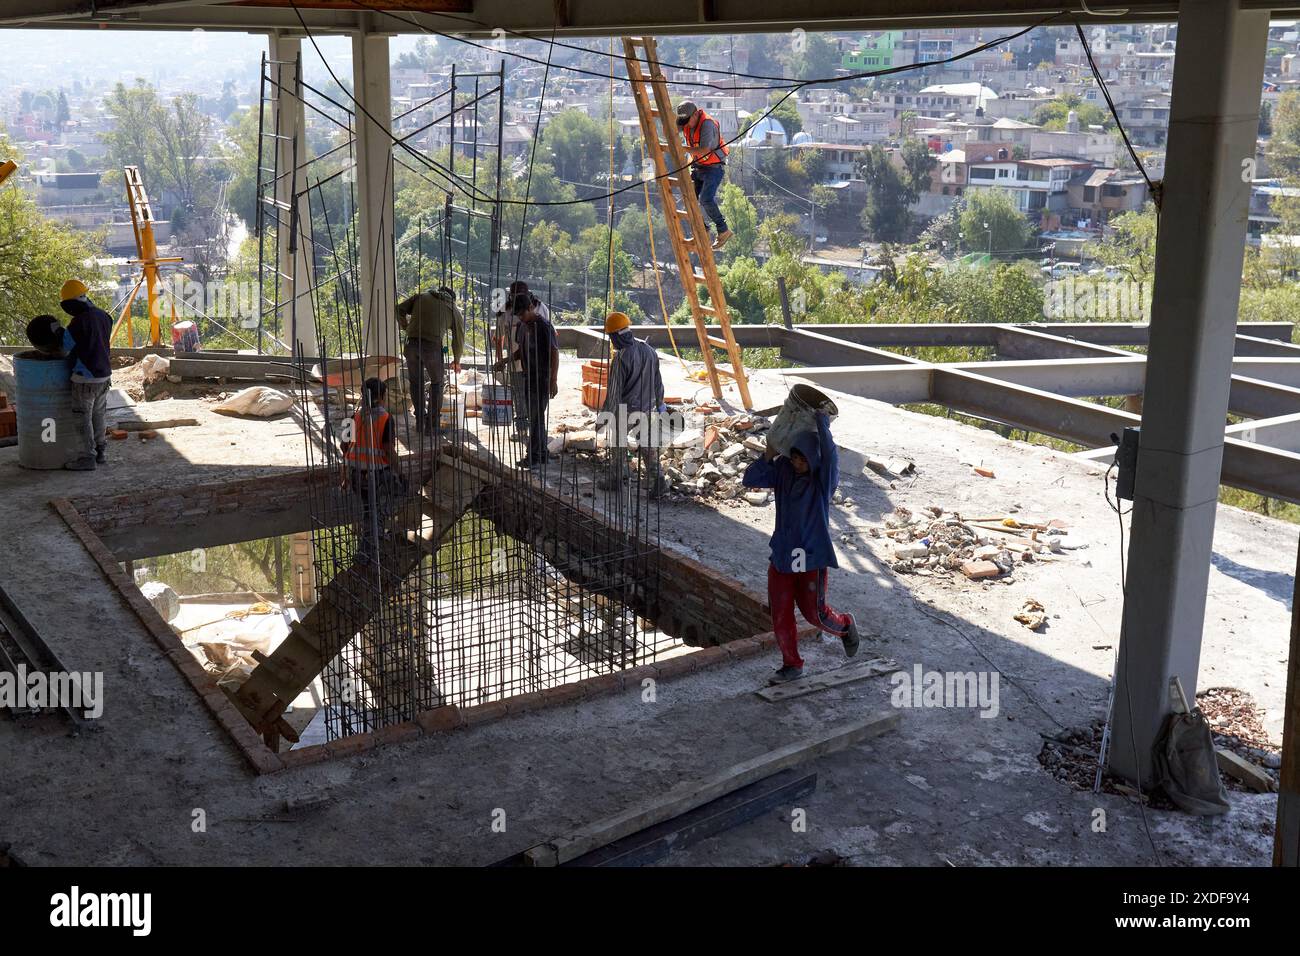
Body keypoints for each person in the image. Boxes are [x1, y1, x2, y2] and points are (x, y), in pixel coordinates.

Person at [742, 413, 860, 683]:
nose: (797, 463)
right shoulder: (784, 470)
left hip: (811, 558)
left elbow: (829, 455)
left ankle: (845, 626)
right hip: (783, 556)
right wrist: (767, 456)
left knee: (814, 614)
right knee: (780, 613)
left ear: (814, 459)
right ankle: (791, 665)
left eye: (803, 459)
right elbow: (750, 480)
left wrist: (821, 420)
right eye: (794, 457)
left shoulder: (822, 482)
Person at [597, 311, 667, 498]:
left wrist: (604, 417)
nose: (612, 342)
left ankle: (616, 479)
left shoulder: (621, 357)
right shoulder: (649, 351)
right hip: (648, 407)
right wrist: (660, 404)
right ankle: (658, 479)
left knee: (617, 442)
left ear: (615, 336)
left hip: (626, 409)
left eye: (611, 337)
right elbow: (658, 383)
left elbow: (614, 392)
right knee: (646, 445)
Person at [339, 377, 403, 563]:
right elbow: (388, 450)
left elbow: (343, 446)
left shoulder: (352, 417)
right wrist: (400, 472)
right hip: (376, 476)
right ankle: (368, 552)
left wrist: (346, 474)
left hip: (357, 477)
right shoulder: (385, 418)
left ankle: (369, 544)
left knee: (369, 511)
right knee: (380, 510)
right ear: (382, 396)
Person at [494, 289, 558, 468]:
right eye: (518, 315)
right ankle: (541, 453)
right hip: (529, 376)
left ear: (531, 307)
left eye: (523, 313)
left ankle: (534, 456)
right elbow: (520, 351)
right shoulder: (522, 327)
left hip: (543, 378)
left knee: (535, 417)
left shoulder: (544, 327)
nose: (521, 318)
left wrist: (553, 380)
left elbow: (554, 353)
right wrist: (505, 361)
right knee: (535, 417)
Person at [58, 279, 113, 471]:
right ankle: (100, 451)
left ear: (70, 304)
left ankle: (86, 458)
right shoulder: (104, 316)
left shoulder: (76, 324)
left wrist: (58, 332)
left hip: (84, 379)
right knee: (99, 415)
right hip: (104, 376)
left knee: (82, 419)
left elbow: (65, 349)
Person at [397, 285, 464, 435]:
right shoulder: (453, 309)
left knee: (416, 383)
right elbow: (459, 339)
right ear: (452, 298)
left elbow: (398, 309)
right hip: (431, 347)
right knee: (437, 383)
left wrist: (406, 327)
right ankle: (432, 426)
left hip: (411, 345)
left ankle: (420, 422)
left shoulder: (421, 296)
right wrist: (457, 359)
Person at [493, 280, 548, 442]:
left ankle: (536, 432)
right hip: (516, 362)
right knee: (519, 398)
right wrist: (501, 361)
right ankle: (522, 430)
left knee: (534, 399)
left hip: (536, 365)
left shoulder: (540, 309)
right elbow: (498, 338)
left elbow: (551, 346)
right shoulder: (506, 311)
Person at [676, 100, 733, 251]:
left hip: (713, 168)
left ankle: (723, 230)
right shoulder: (688, 121)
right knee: (689, 200)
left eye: (688, 121)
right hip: (698, 167)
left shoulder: (708, 124)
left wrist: (682, 149)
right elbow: (674, 129)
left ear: (695, 114)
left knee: (706, 200)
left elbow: (704, 151)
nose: (686, 125)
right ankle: (702, 230)